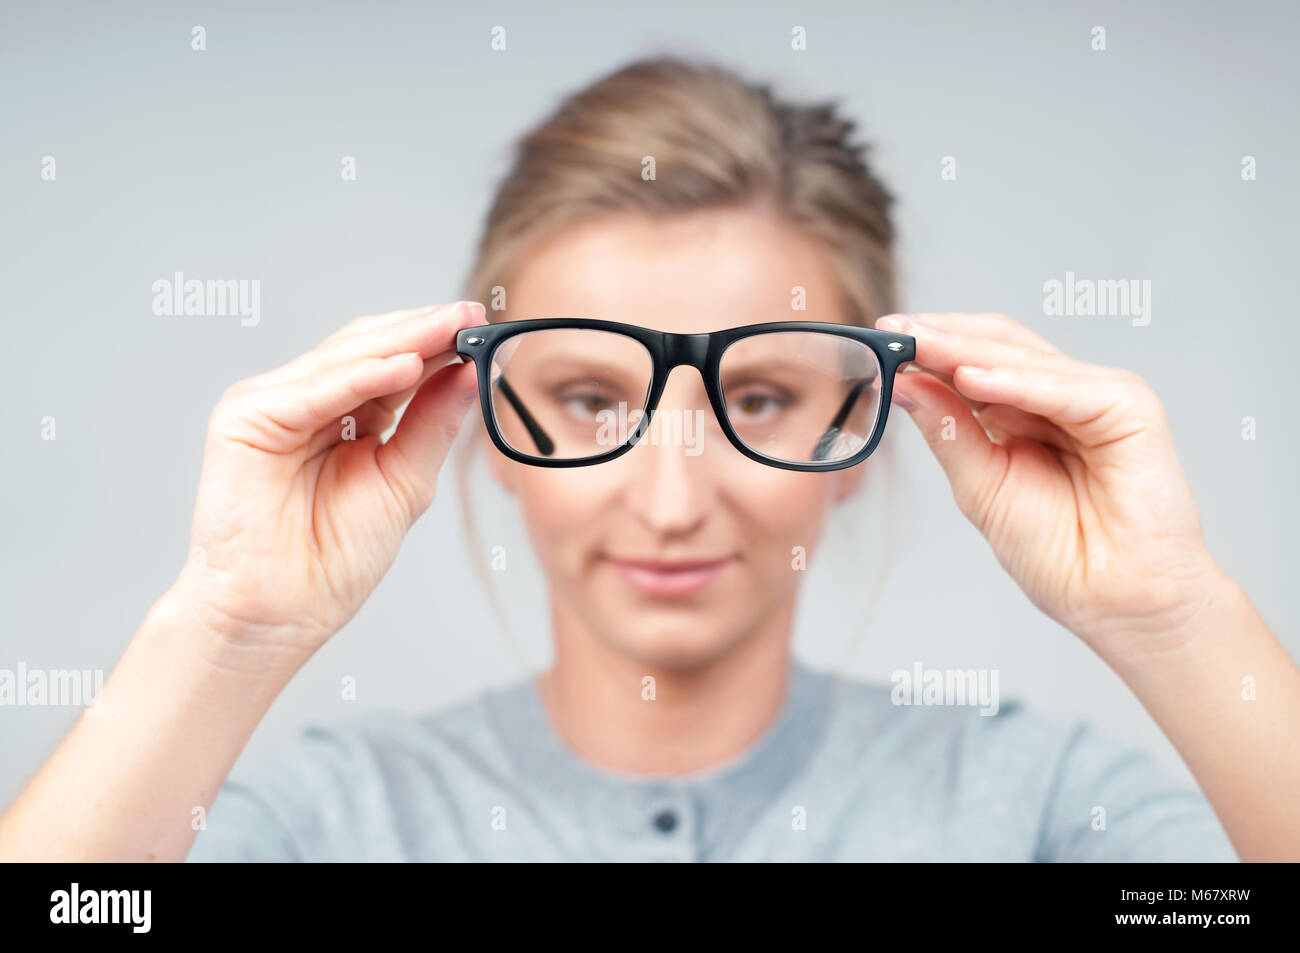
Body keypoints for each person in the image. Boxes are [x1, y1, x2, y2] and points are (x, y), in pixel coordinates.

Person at [2, 56, 1295, 863]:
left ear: (861, 430)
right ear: (481, 424)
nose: (672, 499)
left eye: (763, 395)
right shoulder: (334, 818)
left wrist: (1174, 613)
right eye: (583, 396)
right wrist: (226, 626)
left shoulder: (1035, 802)